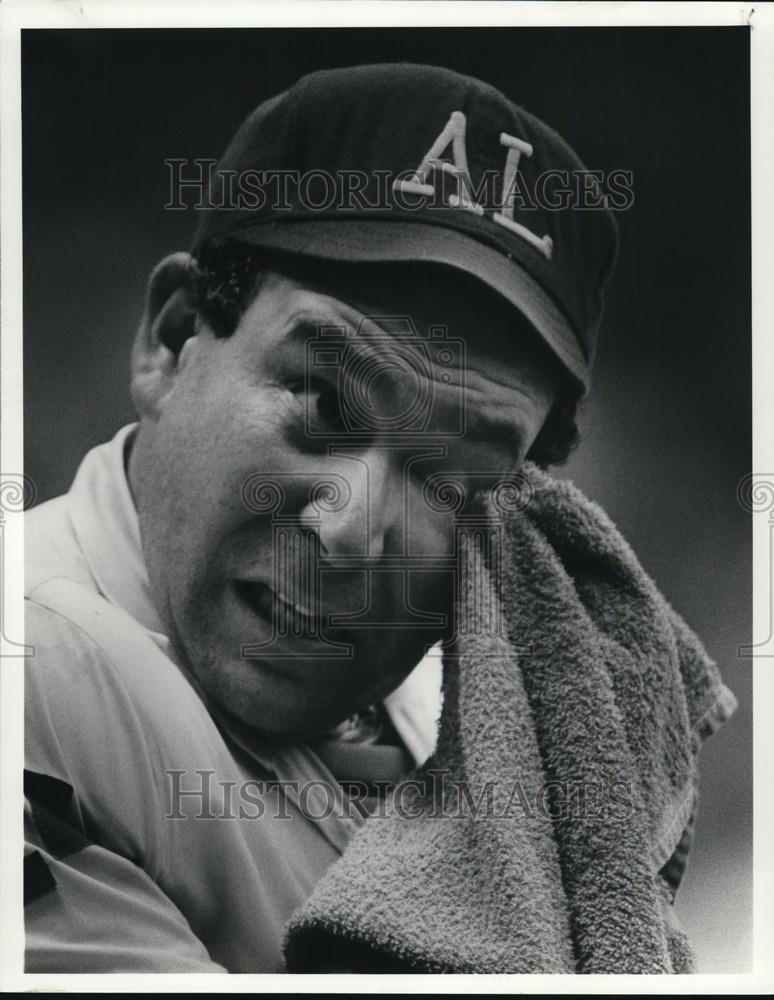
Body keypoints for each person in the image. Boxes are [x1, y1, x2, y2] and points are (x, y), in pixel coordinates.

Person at [24, 63, 635, 972]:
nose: (351, 530)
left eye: (456, 479)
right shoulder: (34, 677)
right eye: (324, 403)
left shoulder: (466, 726)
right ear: (174, 340)